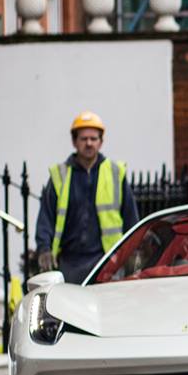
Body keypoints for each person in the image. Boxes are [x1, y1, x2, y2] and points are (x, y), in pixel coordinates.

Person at [36, 112, 136, 286]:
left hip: (107, 261)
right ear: (74, 142)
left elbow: (131, 218)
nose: (89, 143)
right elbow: (46, 218)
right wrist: (44, 249)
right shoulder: (60, 175)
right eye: (83, 139)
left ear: (101, 142)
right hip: (68, 263)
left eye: (93, 138)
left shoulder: (114, 173)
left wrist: (133, 251)